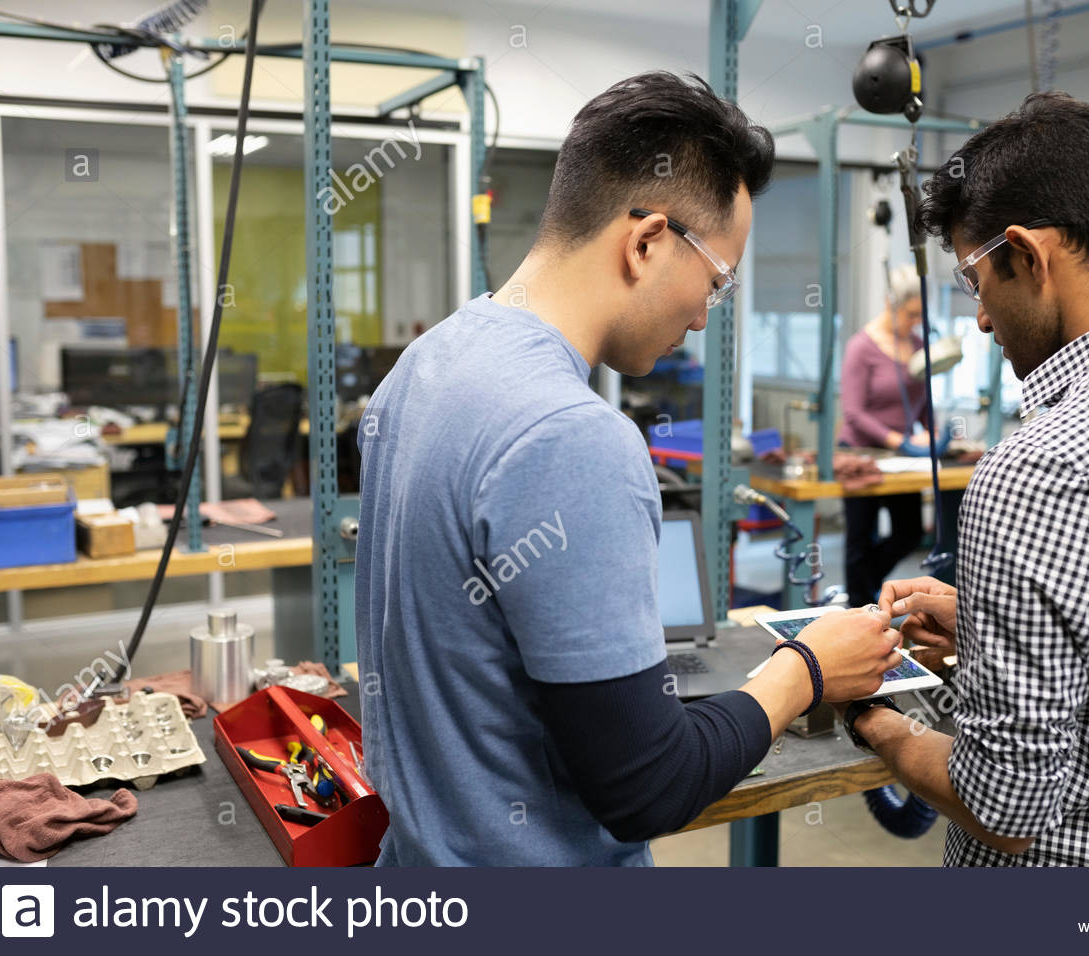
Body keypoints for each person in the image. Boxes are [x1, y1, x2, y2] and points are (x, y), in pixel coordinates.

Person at [354, 71, 902, 866]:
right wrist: (807, 670)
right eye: (715, 281)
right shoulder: (572, 436)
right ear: (646, 242)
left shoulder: (427, 362)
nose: (705, 313)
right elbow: (647, 786)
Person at [837, 92, 1089, 866]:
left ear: (1029, 257)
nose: (984, 322)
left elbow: (1008, 806)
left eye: (975, 283)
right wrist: (997, 629)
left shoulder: (1041, 469)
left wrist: (882, 727)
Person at [837, 264, 944, 606]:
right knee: (860, 538)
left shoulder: (917, 345)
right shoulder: (861, 347)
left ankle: (866, 589)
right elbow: (854, 412)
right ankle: (858, 603)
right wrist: (899, 440)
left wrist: (932, 429)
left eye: (920, 315)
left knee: (910, 532)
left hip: (901, 458)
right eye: (911, 314)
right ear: (891, 303)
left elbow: (923, 397)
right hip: (861, 453)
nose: (916, 322)